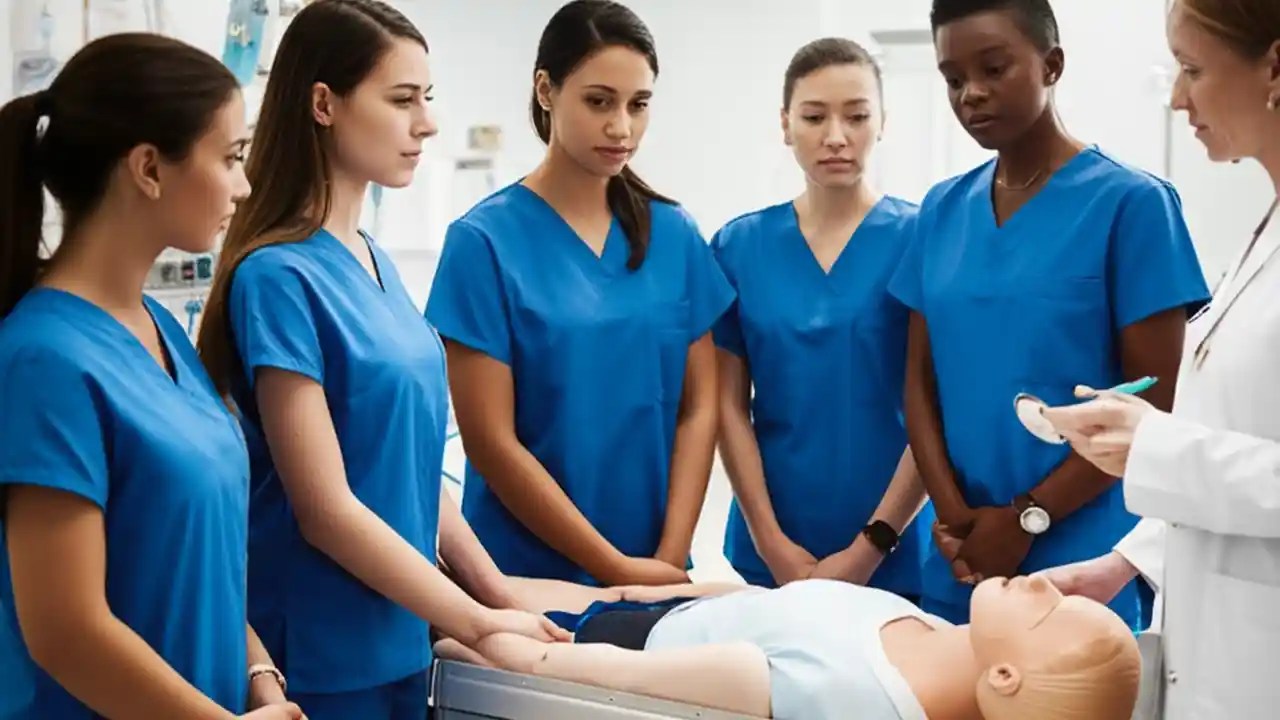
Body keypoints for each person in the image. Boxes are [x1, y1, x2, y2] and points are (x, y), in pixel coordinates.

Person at [196, 3, 566, 719]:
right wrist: (476, 620)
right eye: (402, 100)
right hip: (319, 656)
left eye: (426, 98)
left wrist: (497, 597)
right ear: (324, 104)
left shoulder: (373, 264)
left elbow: (413, 469)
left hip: (400, 641)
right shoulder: (278, 278)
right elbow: (327, 511)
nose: (425, 122)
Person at [0, 34, 302, 720]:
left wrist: (256, 670)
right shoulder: (43, 359)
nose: (244, 184)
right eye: (230, 158)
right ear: (147, 168)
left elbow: (201, 561)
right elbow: (66, 631)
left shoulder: (161, 331)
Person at [886, 0, 1211, 627]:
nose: (971, 94)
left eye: (994, 68)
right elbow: (920, 384)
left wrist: (1027, 517)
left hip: (1084, 562)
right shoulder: (940, 211)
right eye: (953, 79)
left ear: (1052, 64)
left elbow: (1155, 402)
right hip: (962, 557)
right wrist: (955, 518)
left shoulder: (1132, 204)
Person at [426, 0, 734, 587]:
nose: (622, 128)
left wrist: (669, 557)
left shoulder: (674, 235)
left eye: (638, 105)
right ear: (546, 90)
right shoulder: (483, 243)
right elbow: (491, 441)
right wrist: (610, 567)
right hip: (522, 579)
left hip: (657, 568)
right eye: (599, 102)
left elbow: (700, 407)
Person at [1038, 1, 1280, 717]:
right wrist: (1124, 564)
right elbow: (1243, 439)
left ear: (1275, 68)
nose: (1177, 98)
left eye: (1193, 69)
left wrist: (1157, 447)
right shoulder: (1261, 229)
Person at [712, 38, 928, 595]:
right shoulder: (739, 247)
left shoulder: (923, 239)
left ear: (882, 122)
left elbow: (940, 405)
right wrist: (770, 542)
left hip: (898, 547)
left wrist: (873, 544)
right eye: (814, 116)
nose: (836, 136)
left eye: (856, 116)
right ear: (785, 125)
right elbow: (728, 408)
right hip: (774, 551)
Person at [437, 574, 1142, 720]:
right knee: (479, 579)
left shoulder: (846, 697)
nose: (1049, 588)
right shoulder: (934, 635)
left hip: (615, 642)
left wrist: (462, 641)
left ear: (1009, 674)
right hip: (683, 604)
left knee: (445, 587)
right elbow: (800, 608)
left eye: (1052, 614)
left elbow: (577, 667)